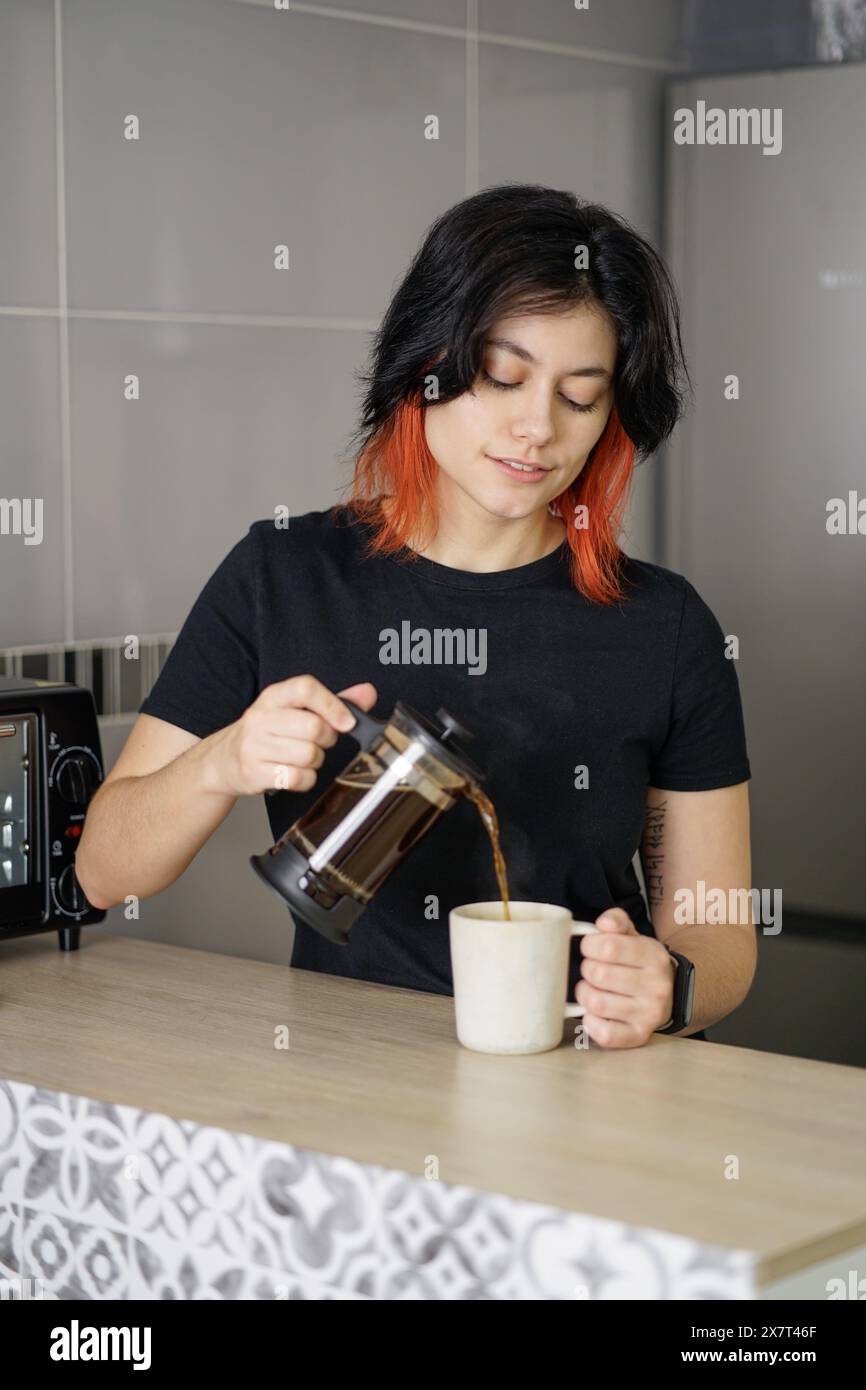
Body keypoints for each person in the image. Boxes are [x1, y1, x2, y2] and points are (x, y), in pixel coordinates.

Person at [76, 184, 756, 1050]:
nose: (535, 427)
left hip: (591, 1094)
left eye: (579, 397)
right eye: (502, 377)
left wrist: (670, 985)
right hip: (349, 1084)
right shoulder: (281, 575)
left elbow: (721, 933)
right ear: (424, 364)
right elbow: (103, 871)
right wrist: (222, 761)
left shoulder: (665, 627)